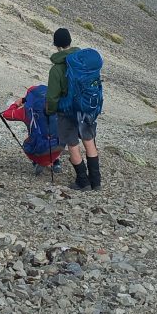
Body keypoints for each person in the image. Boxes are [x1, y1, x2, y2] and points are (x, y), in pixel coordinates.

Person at [46, 27, 100, 191]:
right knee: (89, 142)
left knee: (72, 144)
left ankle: (83, 181)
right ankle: (96, 181)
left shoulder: (56, 69)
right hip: (86, 108)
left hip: (67, 111)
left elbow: (52, 96)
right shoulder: (83, 62)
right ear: (70, 42)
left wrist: (50, 111)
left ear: (56, 45)